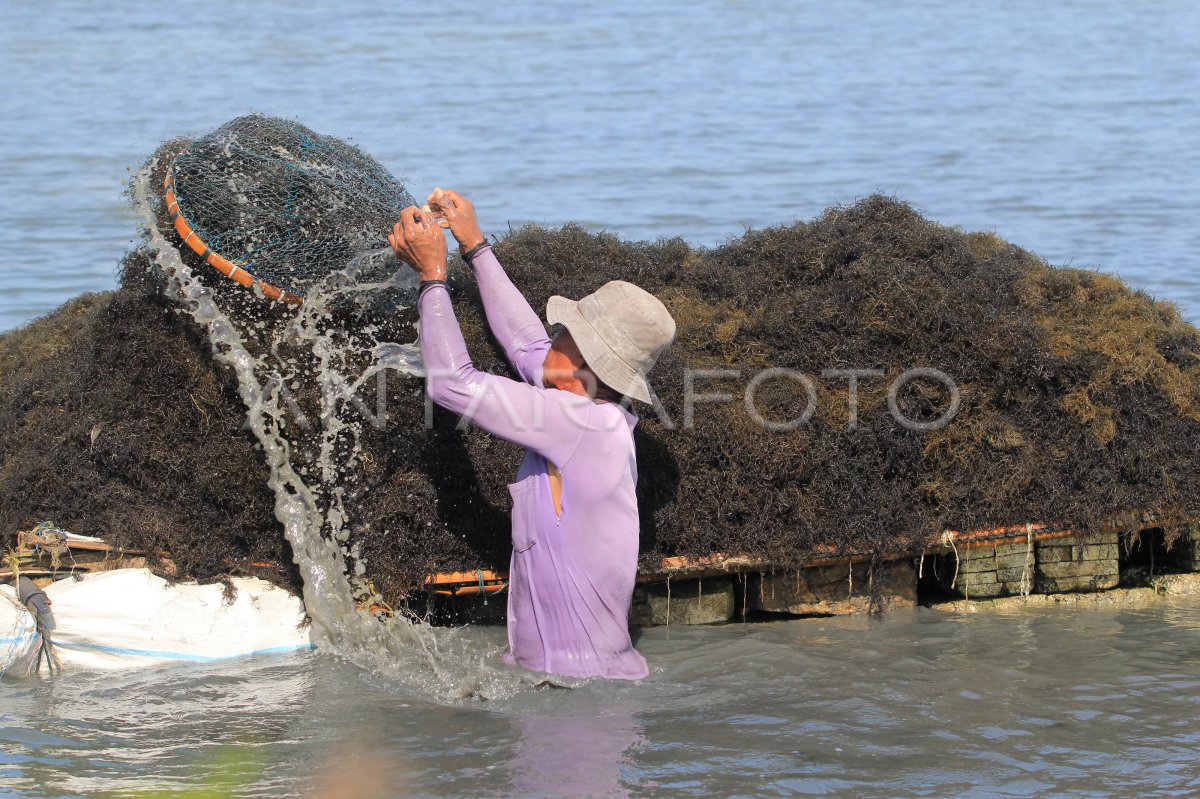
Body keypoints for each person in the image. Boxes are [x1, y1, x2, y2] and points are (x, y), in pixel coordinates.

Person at [388, 190, 675, 681]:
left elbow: (452, 384)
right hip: (571, 678)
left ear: (584, 359)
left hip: (574, 691)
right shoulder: (594, 411)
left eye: (564, 331)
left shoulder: (582, 423)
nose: (552, 334)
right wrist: (474, 246)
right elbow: (528, 348)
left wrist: (432, 277)